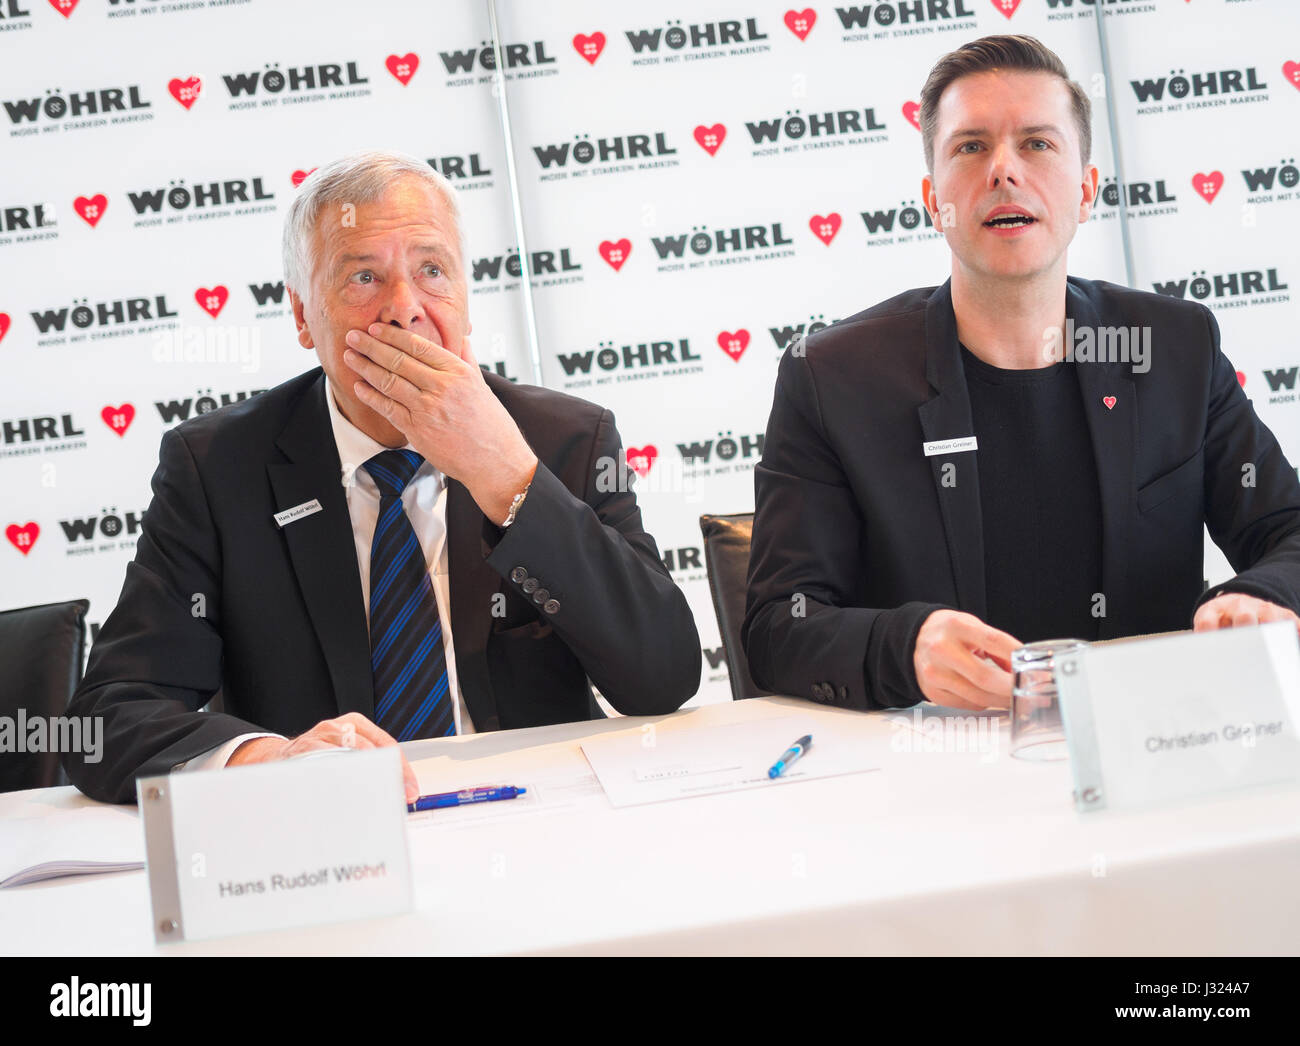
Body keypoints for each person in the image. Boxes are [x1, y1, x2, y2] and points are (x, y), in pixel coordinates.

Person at [64, 151, 700, 804]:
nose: (405, 309)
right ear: (303, 316)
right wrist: (269, 758)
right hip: (334, 837)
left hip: (536, 818)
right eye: (364, 276)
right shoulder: (218, 469)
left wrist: (508, 480)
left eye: (432, 271)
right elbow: (109, 716)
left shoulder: (564, 439)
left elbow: (664, 676)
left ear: (467, 296)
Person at [743, 35, 1300, 713]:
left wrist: (1260, 596)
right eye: (971, 147)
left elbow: (1288, 532)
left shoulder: (1172, 347)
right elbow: (779, 626)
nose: (1003, 170)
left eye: (1037, 144)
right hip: (933, 763)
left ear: (1087, 188)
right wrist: (904, 646)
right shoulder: (830, 379)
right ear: (932, 197)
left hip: (1151, 741)